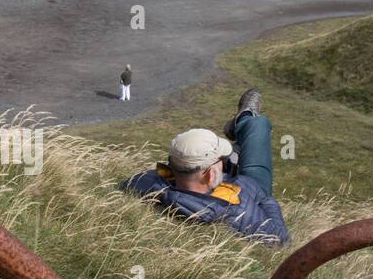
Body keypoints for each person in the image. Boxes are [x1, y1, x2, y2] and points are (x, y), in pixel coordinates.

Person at [120, 88, 289, 245]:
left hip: (216, 182)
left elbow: (126, 185)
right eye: (220, 161)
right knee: (258, 125)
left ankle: (241, 130)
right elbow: (280, 239)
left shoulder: (148, 182)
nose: (223, 162)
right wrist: (266, 200)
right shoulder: (236, 212)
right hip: (251, 186)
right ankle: (244, 118)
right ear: (209, 175)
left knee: (239, 151)